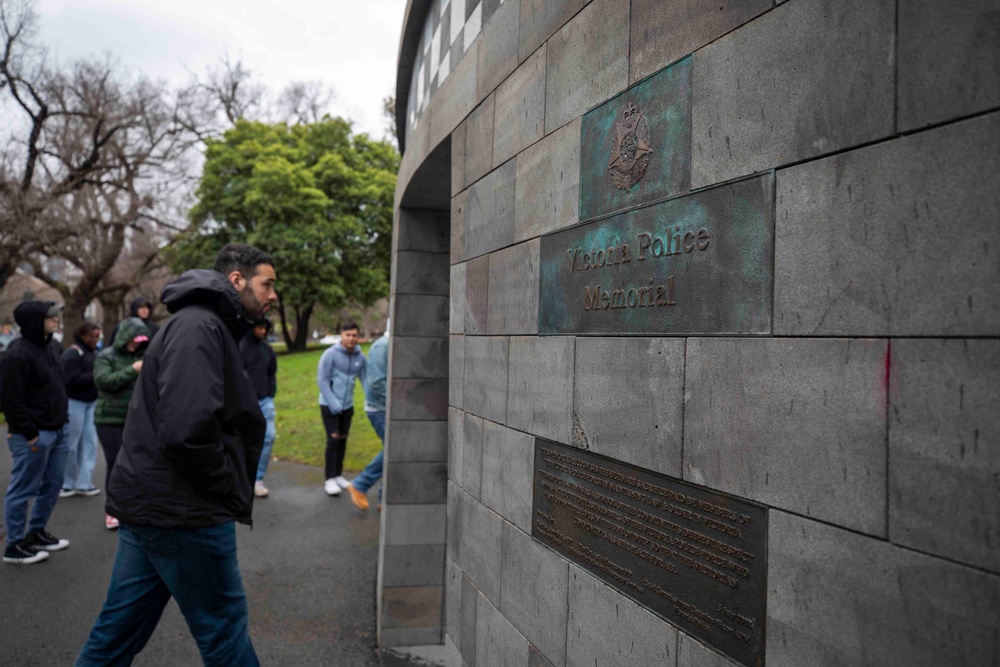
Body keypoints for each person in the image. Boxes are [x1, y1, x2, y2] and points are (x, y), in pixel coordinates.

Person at [75, 244, 277, 667]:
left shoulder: (204, 325)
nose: (273, 295)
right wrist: (225, 486)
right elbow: (187, 429)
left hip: (158, 508)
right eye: (268, 284)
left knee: (115, 636)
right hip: (185, 511)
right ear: (236, 280)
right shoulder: (199, 327)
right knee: (224, 629)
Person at [0, 301, 70, 565]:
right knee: (22, 489)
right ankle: (14, 545)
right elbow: (10, 400)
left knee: (52, 486)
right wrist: (30, 434)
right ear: (34, 320)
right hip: (33, 435)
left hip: (59, 430)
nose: (56, 320)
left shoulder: (51, 346)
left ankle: (35, 532)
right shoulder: (16, 354)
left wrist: (64, 421)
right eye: (50, 317)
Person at [92, 317, 151, 530]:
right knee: (116, 464)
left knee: (137, 464)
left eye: (141, 340)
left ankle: (132, 505)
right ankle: (112, 509)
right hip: (109, 420)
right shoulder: (106, 356)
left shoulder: (144, 356)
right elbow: (103, 382)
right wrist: (132, 370)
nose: (137, 343)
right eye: (134, 339)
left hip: (135, 420)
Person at [317, 322, 366, 496]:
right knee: (333, 440)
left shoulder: (360, 357)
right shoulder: (330, 355)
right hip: (329, 405)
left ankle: (338, 474)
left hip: (347, 406)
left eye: (354, 335)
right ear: (341, 336)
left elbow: (365, 380)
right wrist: (333, 403)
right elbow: (322, 380)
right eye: (348, 335)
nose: (351, 338)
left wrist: (370, 399)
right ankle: (329, 478)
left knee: (343, 440)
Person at [60, 322, 102, 498]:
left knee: (89, 443)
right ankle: (67, 483)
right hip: (74, 402)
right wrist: (96, 376)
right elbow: (70, 380)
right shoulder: (73, 353)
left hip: (91, 402)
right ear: (82, 335)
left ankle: (84, 482)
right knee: (71, 443)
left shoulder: (93, 353)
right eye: (91, 336)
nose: (94, 340)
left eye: (97, 336)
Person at [348, 326, 388, 512]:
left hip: (385, 407)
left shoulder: (390, 344)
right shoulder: (382, 346)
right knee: (393, 449)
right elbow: (376, 382)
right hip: (379, 409)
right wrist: (397, 406)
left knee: (393, 451)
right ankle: (360, 485)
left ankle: (383, 499)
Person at [240, 317, 277, 498]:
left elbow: (272, 373)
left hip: (264, 400)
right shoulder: (239, 347)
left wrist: (271, 392)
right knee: (243, 440)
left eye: (265, 328)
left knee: (268, 437)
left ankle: (258, 478)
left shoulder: (267, 350)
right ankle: (242, 478)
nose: (263, 332)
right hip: (244, 402)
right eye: (259, 328)